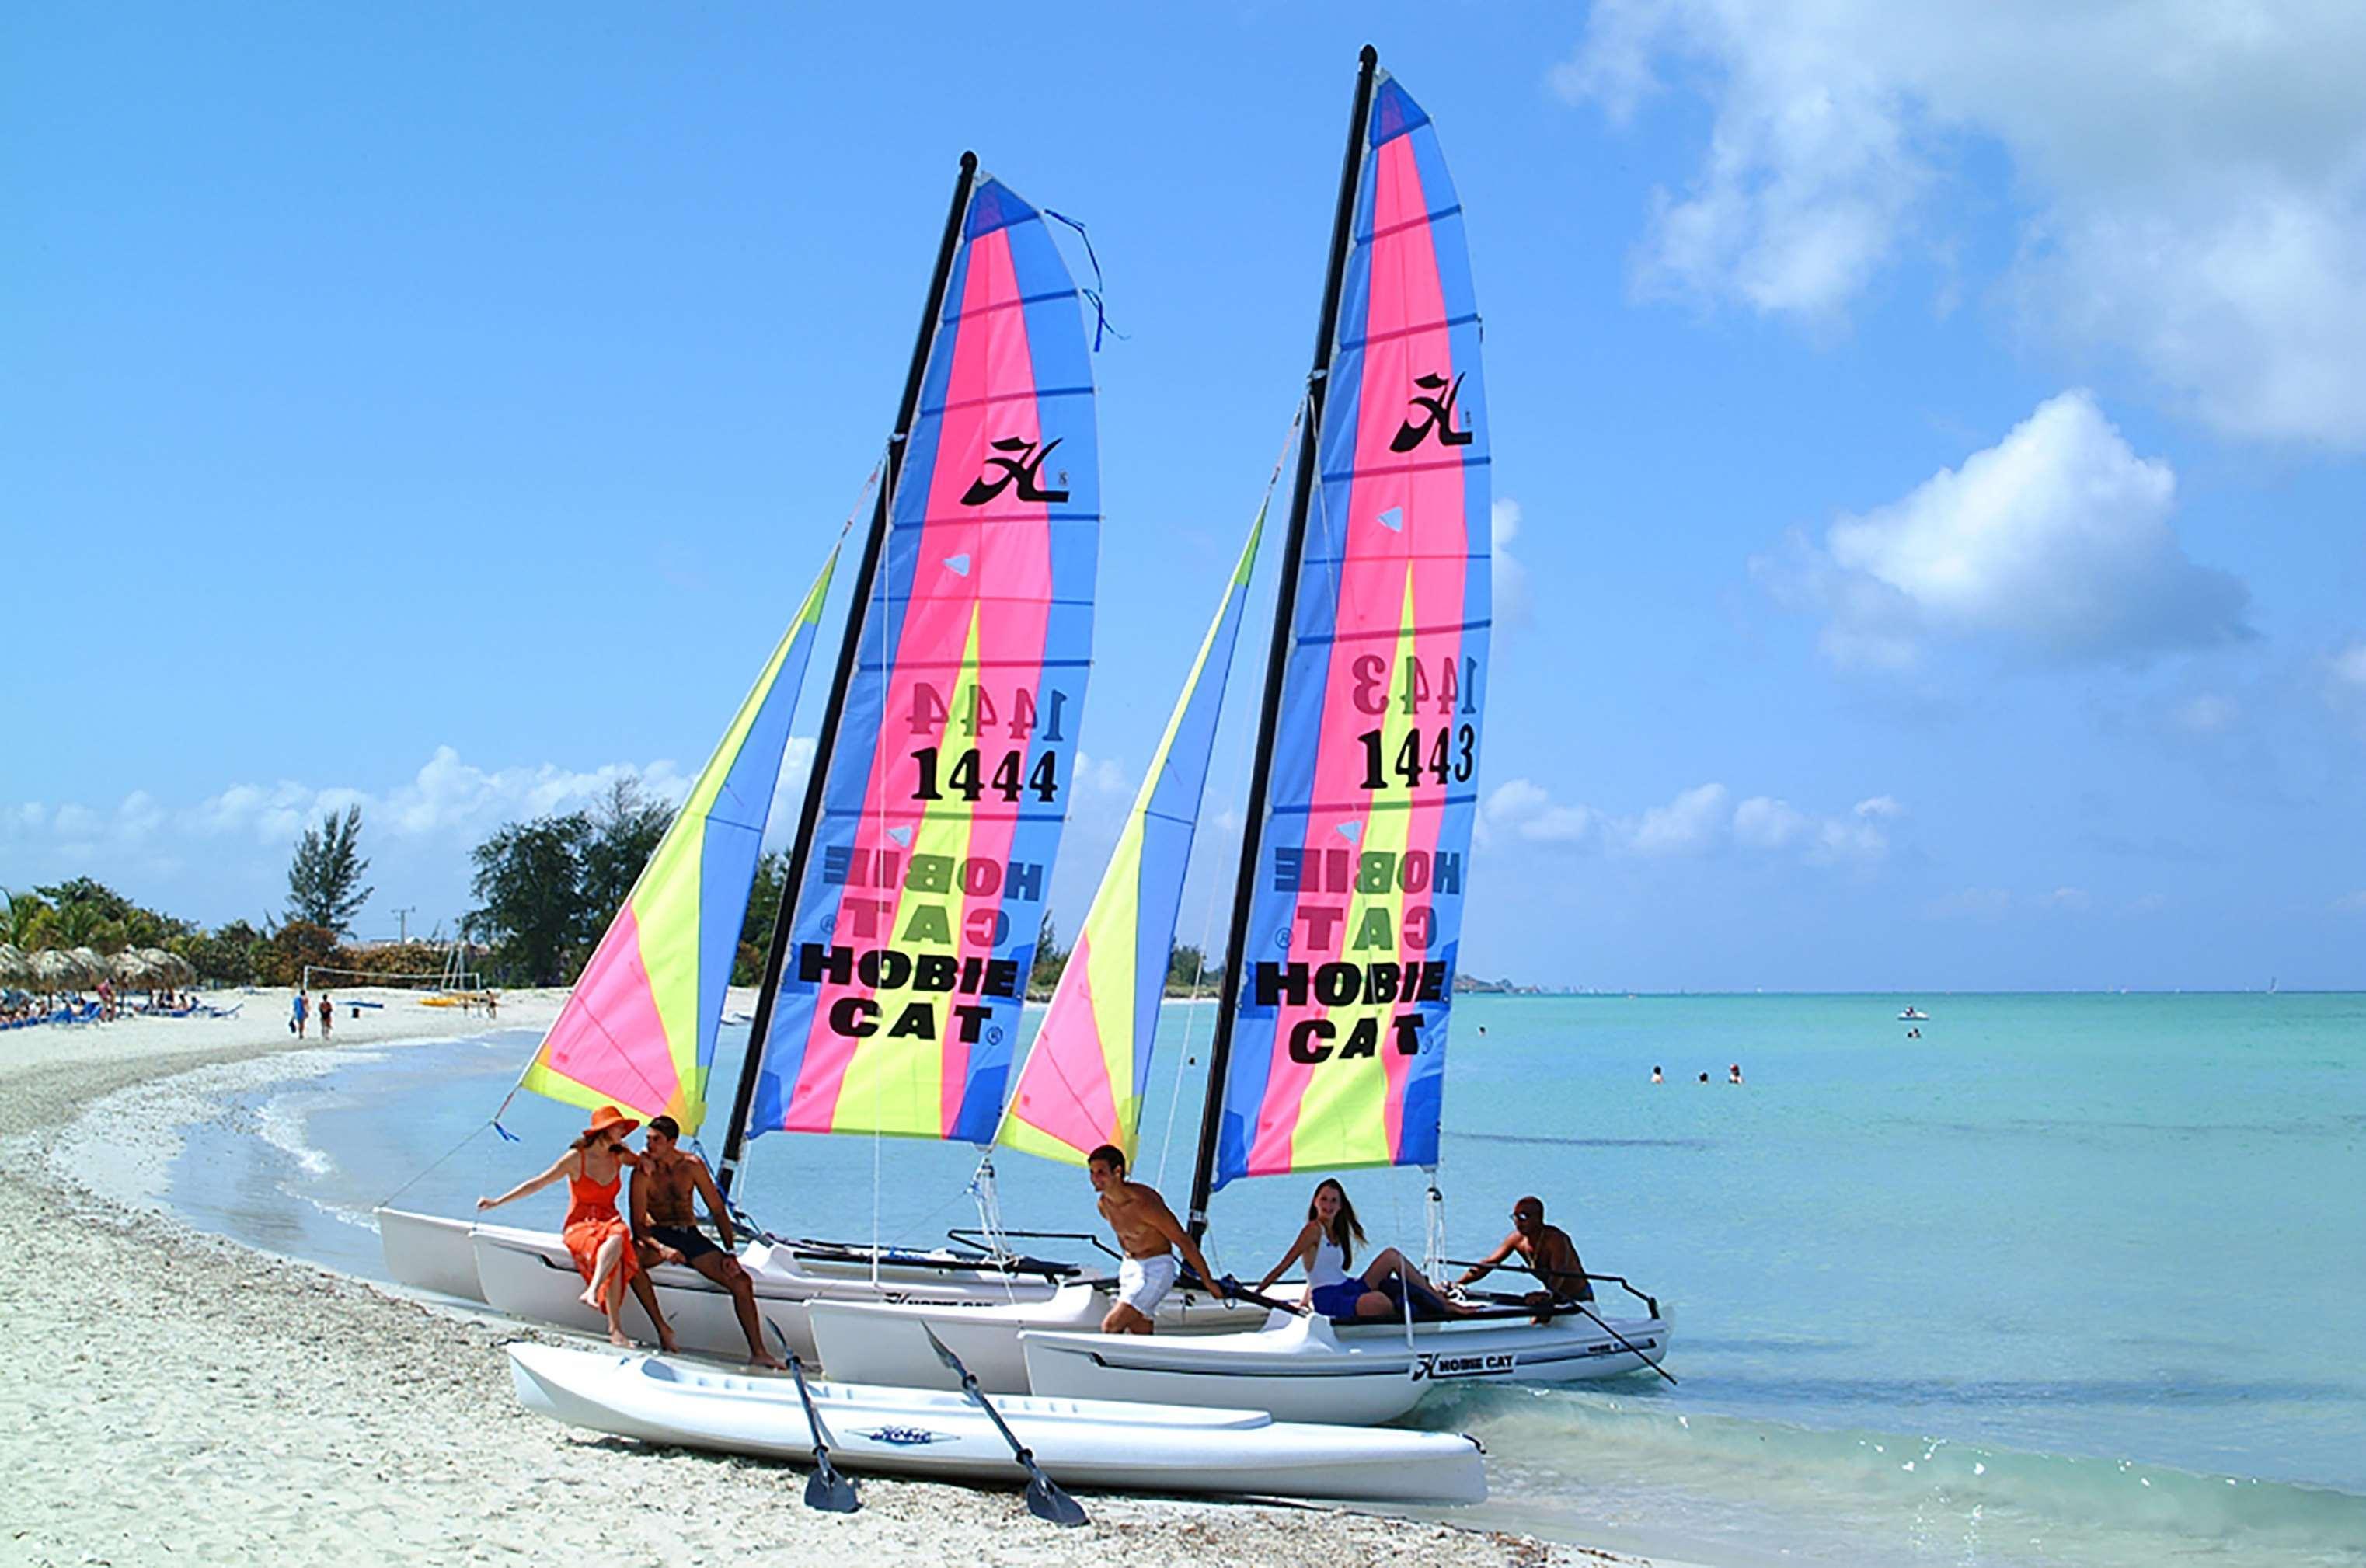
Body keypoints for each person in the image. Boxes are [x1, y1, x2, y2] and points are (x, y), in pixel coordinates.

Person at [478, 1104, 677, 1351]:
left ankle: (606, 1313)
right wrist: (497, 1202)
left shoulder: (619, 1155)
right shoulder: (576, 1158)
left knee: (618, 1236)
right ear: (603, 1130)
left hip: (610, 1222)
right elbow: (539, 1183)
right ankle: (612, 1324)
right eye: (618, 1128)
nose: (623, 1132)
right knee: (618, 1241)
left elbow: (644, 1161)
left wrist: (646, 1161)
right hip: (580, 1225)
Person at [631, 1114, 783, 1369]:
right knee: (631, 1260)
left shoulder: (691, 1166)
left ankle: (759, 1352)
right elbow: (638, 1225)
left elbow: (718, 1210)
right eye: (648, 1140)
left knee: (741, 1281)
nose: (649, 1145)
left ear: (672, 1141)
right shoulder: (643, 1172)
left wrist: (731, 1252)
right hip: (659, 1234)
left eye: (656, 1140)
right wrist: (664, 1249)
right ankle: (663, 1328)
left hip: (689, 1235)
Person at [1255, 1177, 1471, 1321]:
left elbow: (1320, 1269)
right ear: (1314, 1202)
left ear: (1340, 1207)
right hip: (1330, 1299)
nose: (1328, 1205)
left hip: (1348, 1287)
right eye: (1324, 1200)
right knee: (1380, 1301)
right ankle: (1416, 1304)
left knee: (1391, 1256)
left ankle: (1441, 1302)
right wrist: (1257, 1293)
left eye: (1333, 1201)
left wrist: (1304, 1300)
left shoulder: (1336, 1231)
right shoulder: (1312, 1230)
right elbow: (1286, 1264)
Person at [1085, 1143, 1227, 1333]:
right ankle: (1142, 1362)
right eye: (1092, 1172)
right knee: (1139, 1328)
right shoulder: (1104, 1205)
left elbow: (1183, 1241)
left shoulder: (1145, 1204)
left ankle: (1103, 1360)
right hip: (1130, 1268)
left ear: (1118, 1171)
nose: (1095, 1178)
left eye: (1101, 1172)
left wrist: (1208, 1281)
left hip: (1156, 1269)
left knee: (1111, 1326)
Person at [1454, 1195, 1592, 1323]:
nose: (1518, 1222)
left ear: (1539, 1218)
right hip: (1552, 1297)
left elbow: (1559, 1272)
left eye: (1523, 1217)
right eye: (1515, 1217)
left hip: (1577, 1298)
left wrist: (1547, 1294)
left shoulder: (1556, 1239)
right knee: (1535, 1324)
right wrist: (1457, 1284)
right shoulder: (1516, 1239)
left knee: (1540, 1320)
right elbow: (1488, 1264)